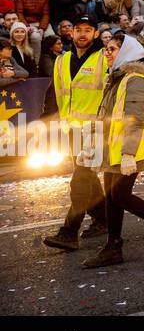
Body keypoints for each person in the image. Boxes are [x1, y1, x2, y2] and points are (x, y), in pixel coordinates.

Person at [81, 36, 144, 268]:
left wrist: (128, 154)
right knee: (112, 198)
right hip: (113, 149)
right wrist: (91, 147)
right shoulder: (117, 79)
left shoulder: (135, 80)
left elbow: (134, 119)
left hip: (131, 149)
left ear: (127, 52)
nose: (107, 53)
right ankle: (113, 247)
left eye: (113, 49)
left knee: (120, 196)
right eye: (106, 49)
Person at [42, 15, 110, 251]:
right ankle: (104, 220)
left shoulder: (104, 58)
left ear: (95, 34)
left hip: (96, 128)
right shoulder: (63, 59)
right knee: (88, 178)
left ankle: (69, 231)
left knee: (80, 179)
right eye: (78, 29)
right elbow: (55, 92)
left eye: (87, 30)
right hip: (72, 129)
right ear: (71, 33)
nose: (82, 34)